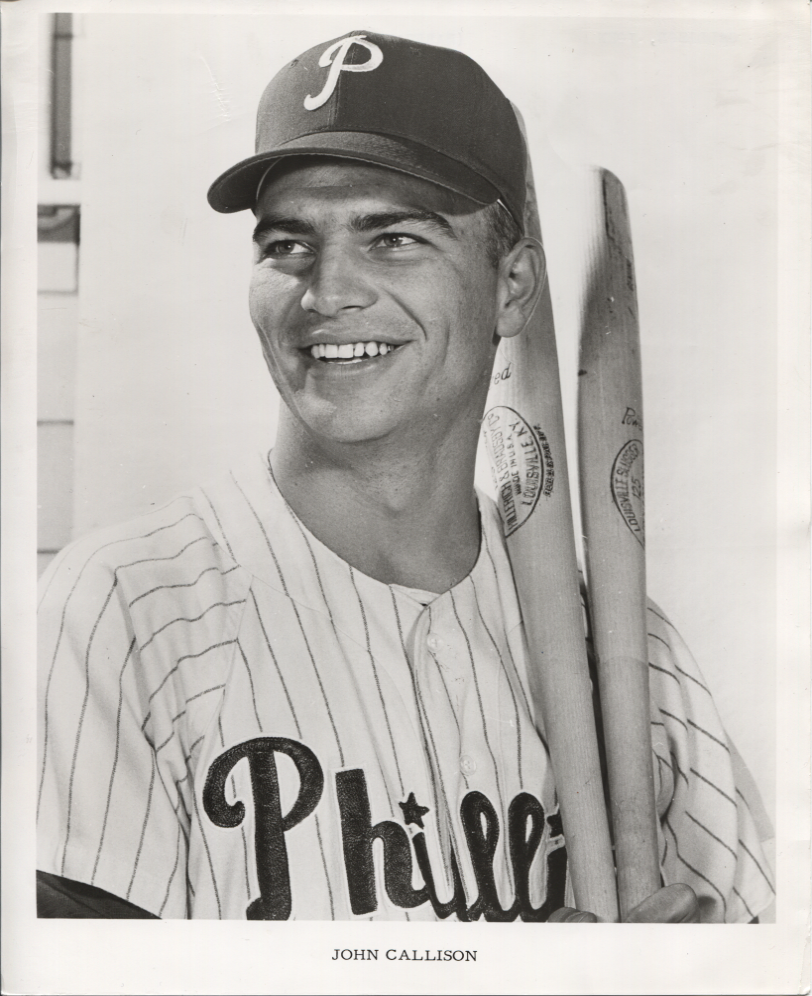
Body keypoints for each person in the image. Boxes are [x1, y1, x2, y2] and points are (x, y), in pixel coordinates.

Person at [36, 29, 774, 922]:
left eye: (393, 239)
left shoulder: (629, 651)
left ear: (512, 288)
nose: (328, 291)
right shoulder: (122, 611)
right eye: (286, 245)